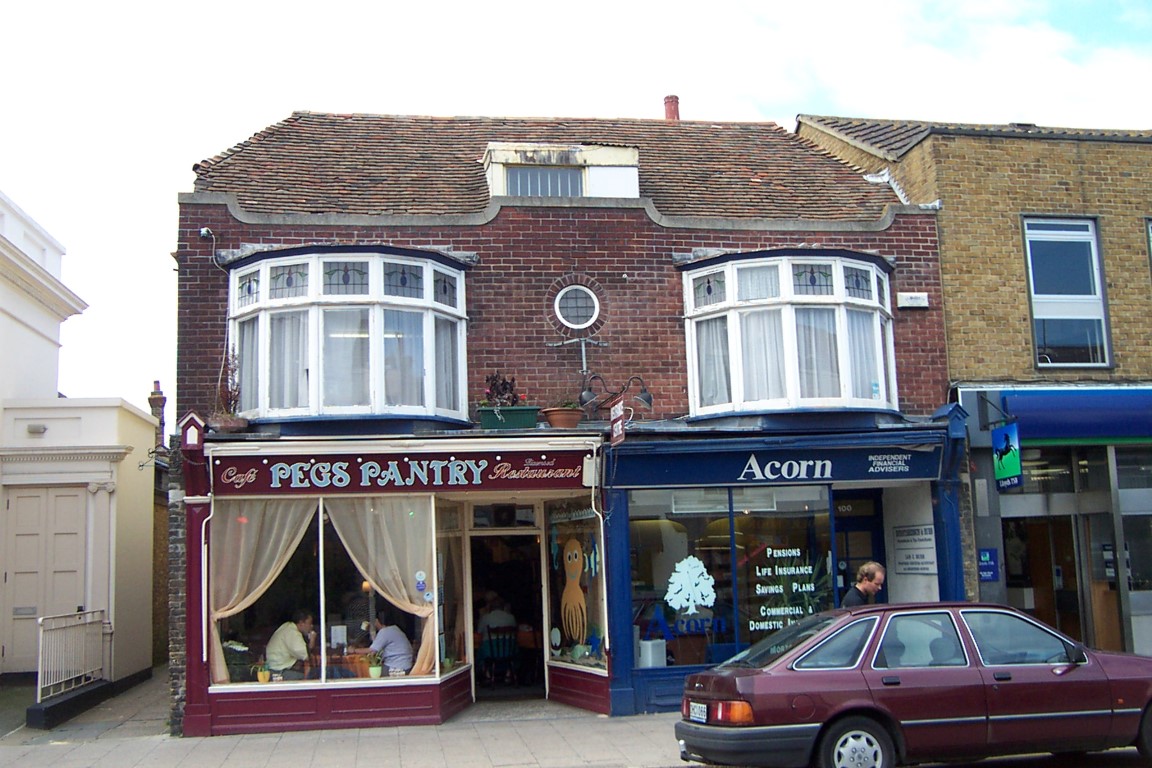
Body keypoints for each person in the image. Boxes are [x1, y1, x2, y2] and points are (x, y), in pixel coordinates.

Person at [350, 608, 414, 674]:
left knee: (370, 672)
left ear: (376, 621)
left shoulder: (385, 632)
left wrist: (354, 650)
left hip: (396, 667)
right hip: (405, 665)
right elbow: (377, 646)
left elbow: (372, 651)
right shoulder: (395, 628)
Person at [265, 609, 316, 679]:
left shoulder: (287, 627)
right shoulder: (292, 632)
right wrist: (312, 640)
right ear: (301, 623)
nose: (311, 626)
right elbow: (306, 655)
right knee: (308, 677)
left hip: (276, 668)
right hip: (279, 671)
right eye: (309, 623)